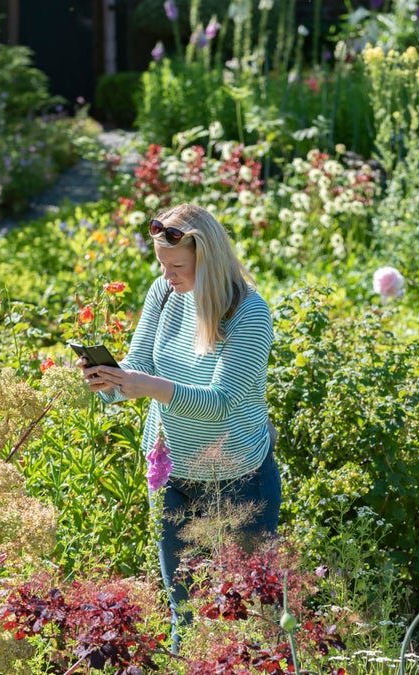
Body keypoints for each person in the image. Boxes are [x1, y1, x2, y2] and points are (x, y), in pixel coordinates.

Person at [79, 203, 279, 632]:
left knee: (247, 615)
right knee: (183, 614)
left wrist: (151, 387)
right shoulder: (165, 293)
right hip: (171, 474)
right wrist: (109, 382)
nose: (167, 276)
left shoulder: (249, 313)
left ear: (208, 260)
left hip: (237, 478)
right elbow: (140, 361)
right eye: (161, 265)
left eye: (177, 266)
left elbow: (222, 402)